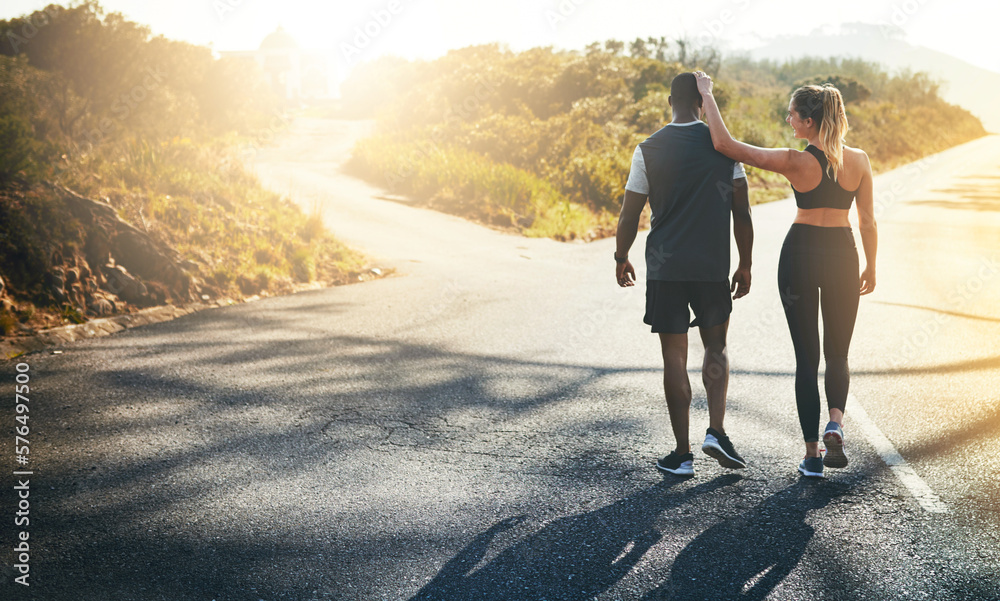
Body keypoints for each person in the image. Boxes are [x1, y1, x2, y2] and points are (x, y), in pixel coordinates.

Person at [693, 71, 878, 478]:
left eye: (793, 115)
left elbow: (724, 144)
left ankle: (812, 456)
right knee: (838, 354)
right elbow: (867, 222)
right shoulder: (860, 161)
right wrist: (871, 264)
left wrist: (707, 95)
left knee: (806, 358)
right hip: (843, 255)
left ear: (809, 121)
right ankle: (835, 423)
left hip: (799, 254)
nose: (789, 120)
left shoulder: (794, 161)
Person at [616, 72, 754, 477]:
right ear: (701, 102)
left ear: (668, 100)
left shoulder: (648, 149)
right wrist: (745, 262)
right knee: (716, 348)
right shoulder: (723, 147)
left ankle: (682, 453)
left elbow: (630, 213)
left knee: (673, 356)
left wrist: (620, 254)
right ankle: (716, 431)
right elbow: (741, 212)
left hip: (665, 266)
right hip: (711, 265)